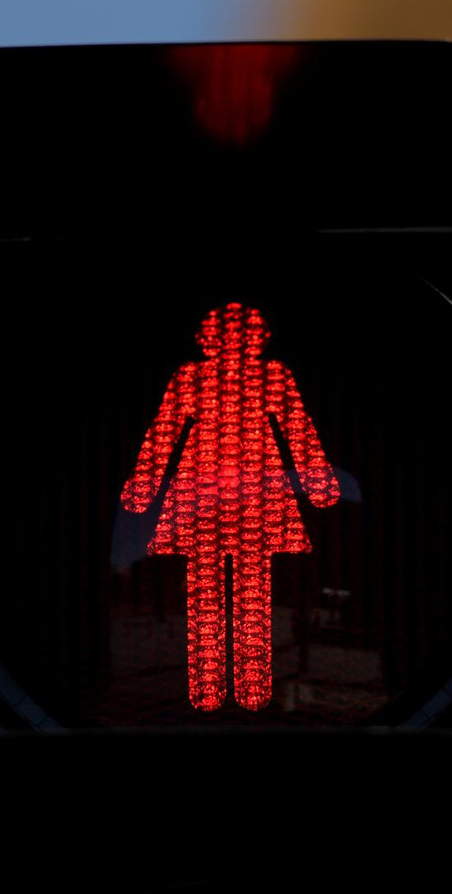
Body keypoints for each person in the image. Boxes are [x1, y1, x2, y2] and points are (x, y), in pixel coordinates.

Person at [121, 302, 340, 710]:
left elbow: (297, 428)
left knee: (240, 595)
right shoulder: (204, 376)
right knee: (221, 596)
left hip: (230, 498)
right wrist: (144, 485)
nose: (234, 342)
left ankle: (238, 688)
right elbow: (163, 432)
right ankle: (218, 689)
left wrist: (317, 481)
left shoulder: (264, 375)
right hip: (231, 498)